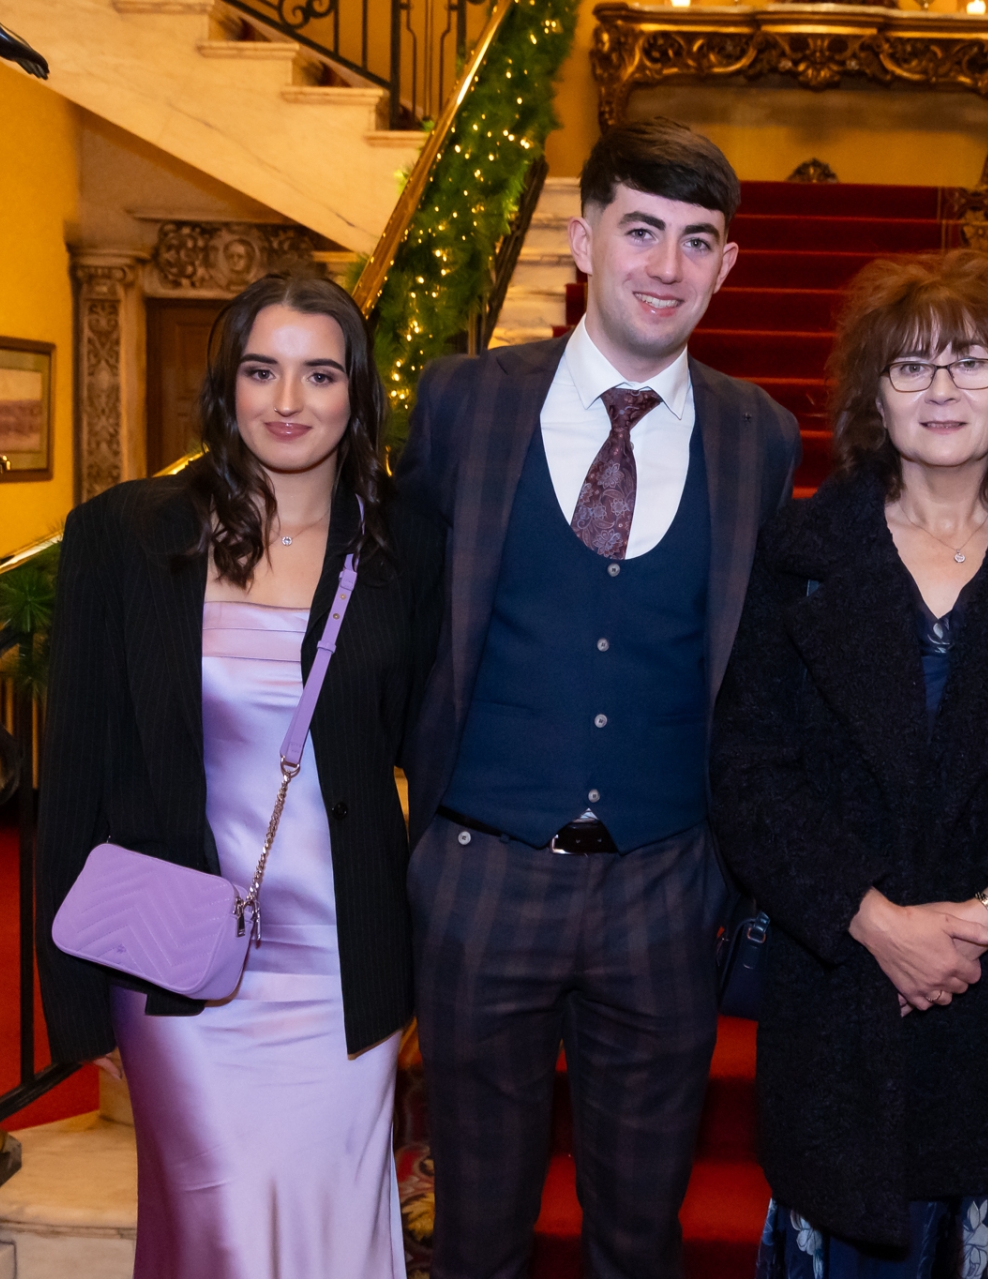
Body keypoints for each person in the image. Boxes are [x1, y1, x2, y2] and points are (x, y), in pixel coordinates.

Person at [393, 118, 799, 1278]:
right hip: (482, 872)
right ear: (582, 240)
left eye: (697, 240)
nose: (666, 266)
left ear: (728, 266)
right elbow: (405, 612)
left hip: (666, 889)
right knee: (475, 1228)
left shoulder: (759, 434)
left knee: (641, 1230)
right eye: (640, 231)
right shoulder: (466, 403)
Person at [710, 250, 988, 1269]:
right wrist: (874, 922)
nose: (942, 390)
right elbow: (749, 769)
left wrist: (982, 922)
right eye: (911, 367)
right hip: (838, 999)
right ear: (875, 396)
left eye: (972, 362)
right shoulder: (803, 556)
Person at [36, 274, 443, 1278]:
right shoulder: (127, 536)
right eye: (262, 371)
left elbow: (432, 752)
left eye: (320, 373)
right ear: (229, 385)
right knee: (218, 1225)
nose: (289, 401)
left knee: (331, 1216)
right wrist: (76, 1000)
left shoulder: (407, 544)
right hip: (181, 960)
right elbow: (76, 770)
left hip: (343, 963)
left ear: (357, 394)